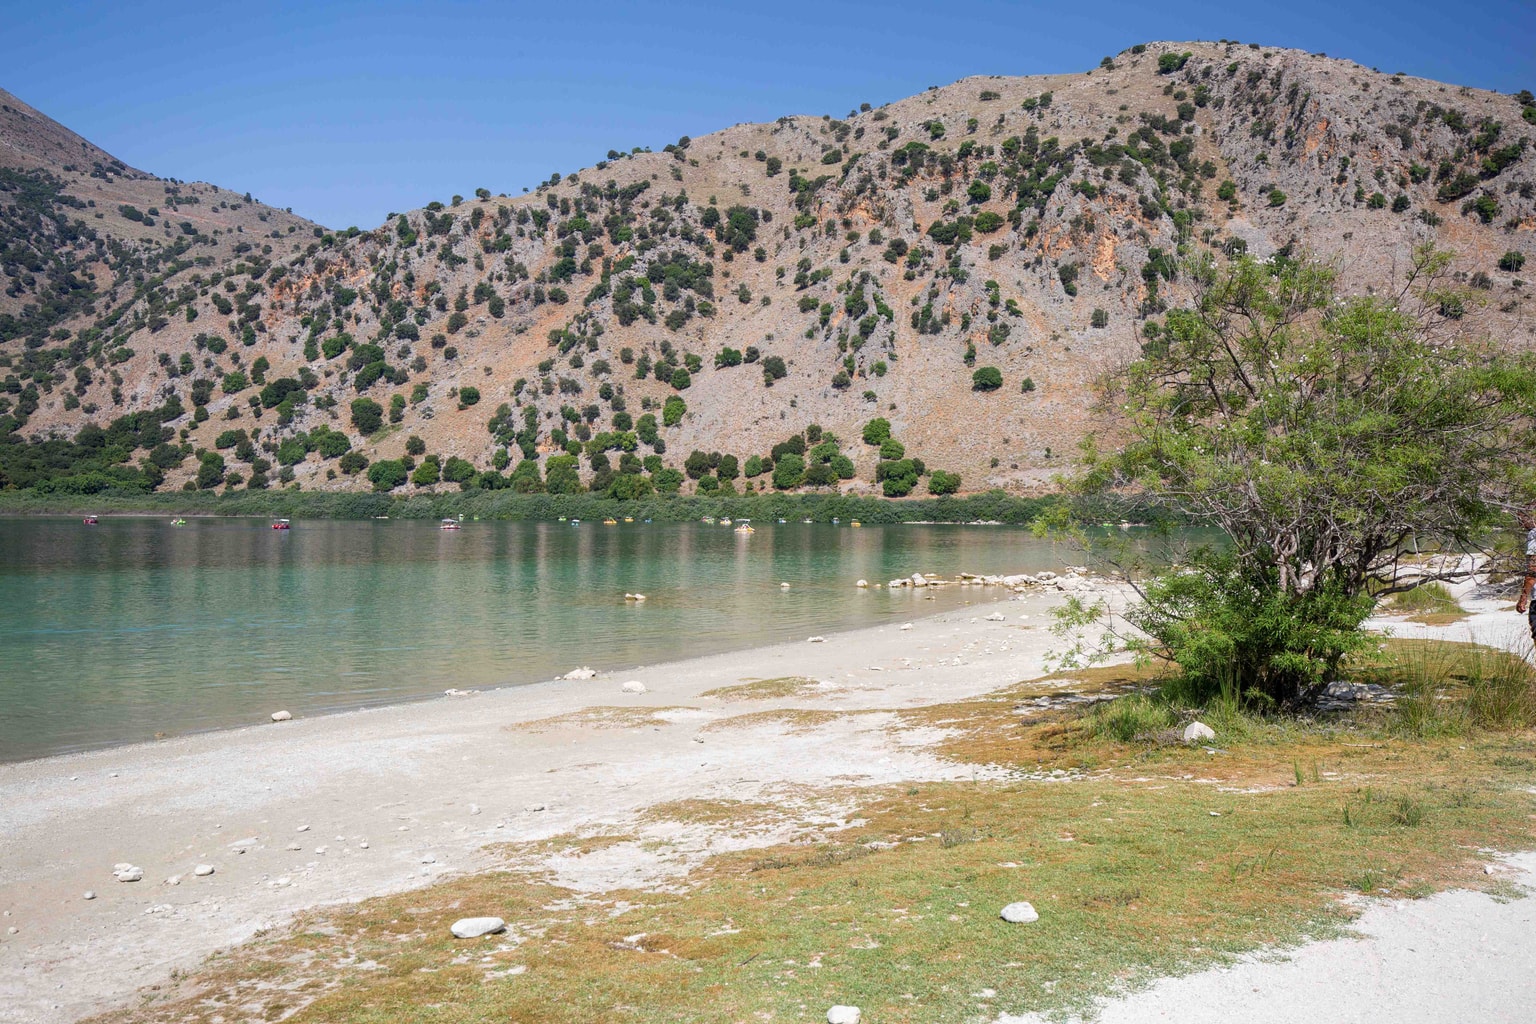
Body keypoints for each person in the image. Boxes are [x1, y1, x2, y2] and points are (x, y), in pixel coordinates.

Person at [1515, 513, 1536, 641]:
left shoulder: (1534, 533)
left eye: (1522, 517)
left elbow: (1533, 569)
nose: (1520, 522)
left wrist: (1523, 598)